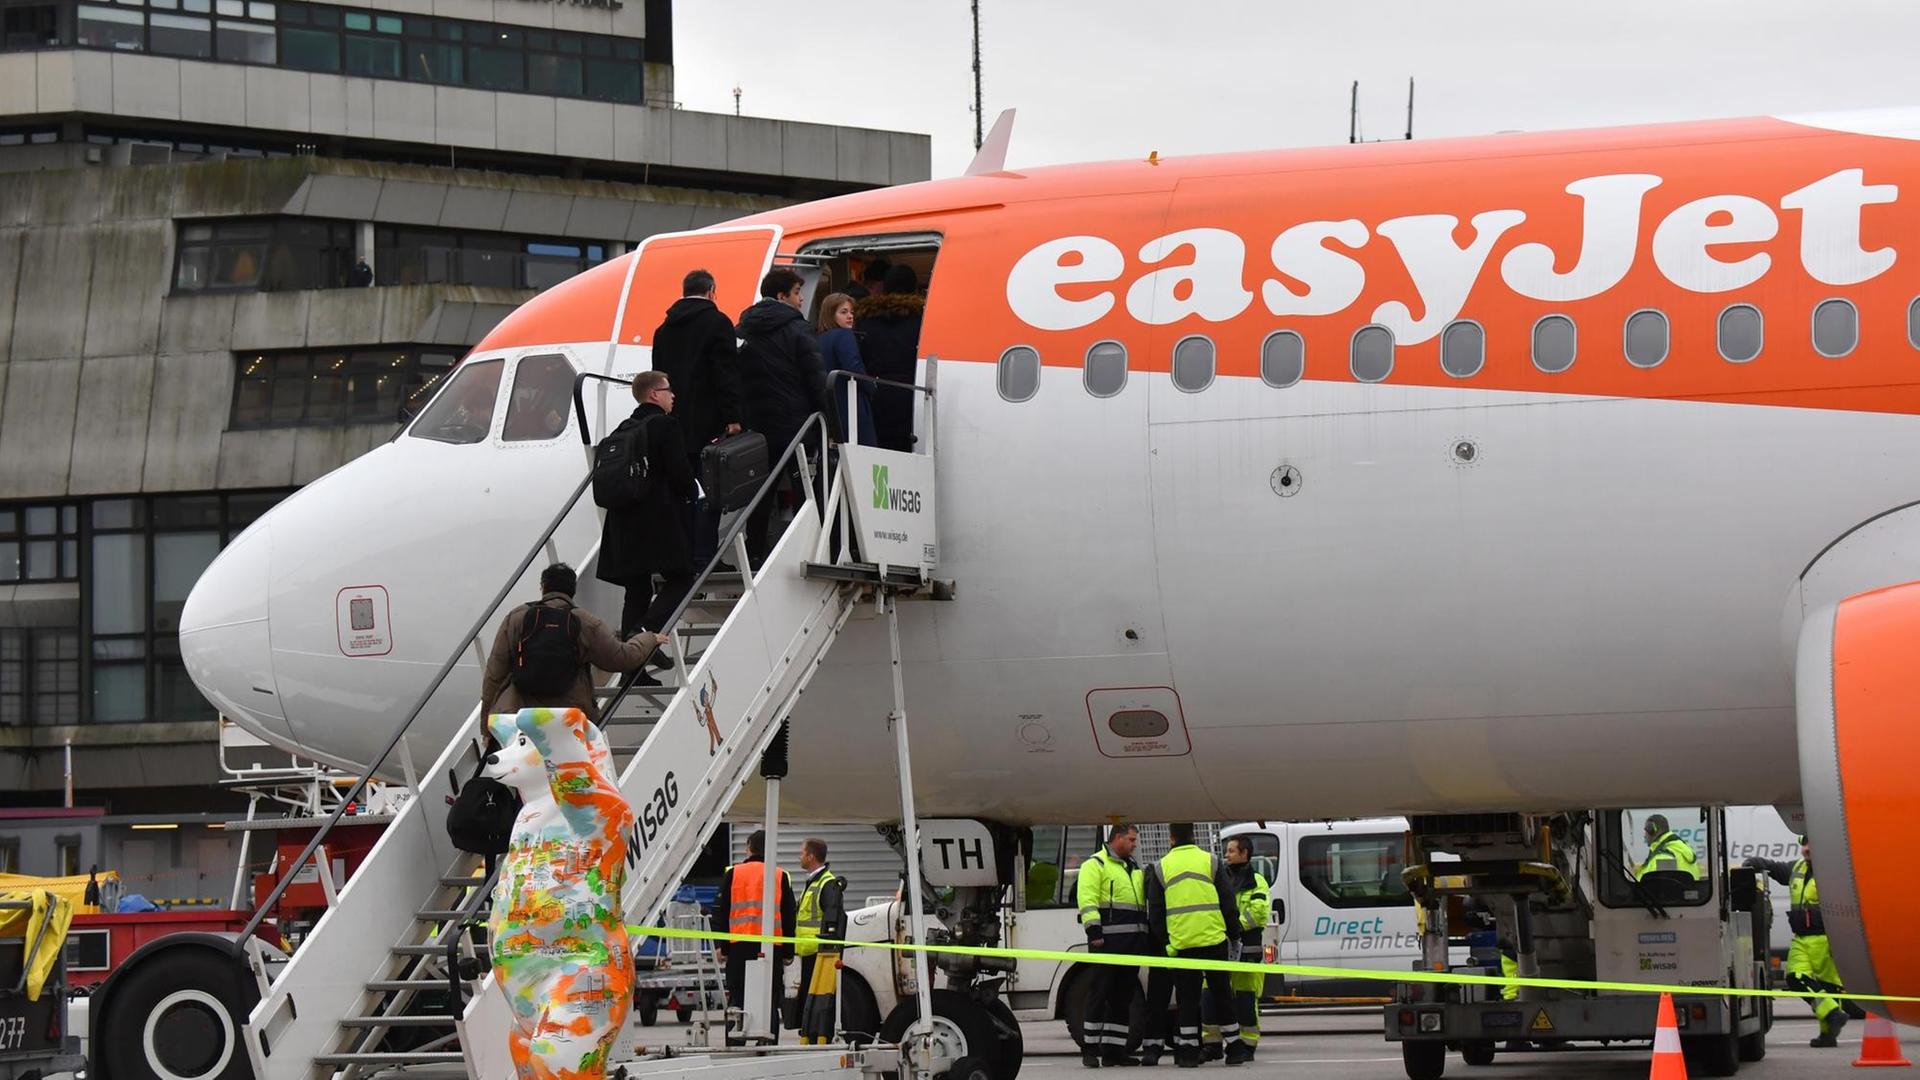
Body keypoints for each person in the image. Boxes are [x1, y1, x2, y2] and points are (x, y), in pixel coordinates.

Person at [479, 563, 667, 724]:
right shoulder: (586, 622)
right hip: (571, 716)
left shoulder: (516, 618)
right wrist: (648, 638)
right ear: (573, 590)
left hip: (522, 716)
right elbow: (622, 658)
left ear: (543, 587)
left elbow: (494, 675)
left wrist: (486, 725)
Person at [594, 373, 699, 663]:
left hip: (622, 520)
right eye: (668, 390)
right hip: (657, 519)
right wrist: (696, 494)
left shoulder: (623, 429)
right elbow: (680, 474)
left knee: (637, 589)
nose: (673, 395)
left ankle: (632, 665)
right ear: (654, 394)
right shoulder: (665, 425)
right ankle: (646, 631)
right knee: (682, 578)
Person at [736, 268, 836, 566]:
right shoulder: (798, 329)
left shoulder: (742, 329)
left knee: (761, 490)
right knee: (804, 486)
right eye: (796, 292)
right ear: (782, 296)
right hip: (795, 422)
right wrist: (831, 421)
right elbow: (815, 378)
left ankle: (755, 552)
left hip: (757, 425)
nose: (801, 299)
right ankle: (810, 549)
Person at [651, 269, 745, 565]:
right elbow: (725, 373)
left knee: (682, 489)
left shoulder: (663, 330)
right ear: (711, 291)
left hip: (673, 423)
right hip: (708, 421)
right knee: (711, 488)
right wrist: (733, 416)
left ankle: (681, 552)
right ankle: (704, 554)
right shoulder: (718, 323)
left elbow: (658, 377)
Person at [1146, 823, 1250, 1067]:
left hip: (1182, 942)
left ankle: (1188, 1052)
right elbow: (1227, 901)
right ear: (1193, 835)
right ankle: (1234, 1047)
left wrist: (1166, 942)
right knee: (1222, 994)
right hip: (1213, 939)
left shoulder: (1161, 867)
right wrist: (1234, 934)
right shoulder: (1211, 861)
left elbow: (1156, 913)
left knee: (1187, 1000)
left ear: (1171, 838)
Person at [1750, 837, 1855, 1047]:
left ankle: (1828, 1034)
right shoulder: (1795, 868)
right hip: (1802, 937)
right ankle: (1833, 1013)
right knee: (1795, 978)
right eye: (1804, 844)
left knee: (1830, 987)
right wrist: (1754, 863)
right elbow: (1773, 867)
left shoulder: (1834, 872)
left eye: (1811, 844)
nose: (1806, 849)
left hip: (1828, 938)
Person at [714, 829, 798, 1046]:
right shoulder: (780, 875)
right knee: (769, 998)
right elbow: (789, 915)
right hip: (771, 948)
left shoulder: (733, 873)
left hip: (738, 946)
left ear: (749, 848)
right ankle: (767, 1044)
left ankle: (734, 1045)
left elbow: (721, 911)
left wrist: (722, 946)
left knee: (737, 997)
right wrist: (788, 951)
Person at [1075, 824, 1147, 1068]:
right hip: (1106, 943)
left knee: (1122, 999)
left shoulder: (1133, 867)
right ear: (1117, 838)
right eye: (1131, 839)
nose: (1134, 844)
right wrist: (1094, 931)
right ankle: (1089, 1049)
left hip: (1132, 944)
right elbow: (1087, 899)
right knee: (1099, 994)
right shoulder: (1095, 864)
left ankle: (1114, 1052)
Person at [852, 263, 924, 453]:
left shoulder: (865, 317)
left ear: (885, 286)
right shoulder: (921, 318)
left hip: (875, 392)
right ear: (913, 287)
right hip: (911, 392)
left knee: (879, 449)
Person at [793, 837, 848, 1044]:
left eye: (802, 853)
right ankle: (810, 1033)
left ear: (810, 856)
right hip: (810, 951)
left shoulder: (827, 884)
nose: (799, 857)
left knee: (819, 999)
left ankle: (817, 1036)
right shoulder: (814, 882)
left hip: (820, 953)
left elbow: (832, 921)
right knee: (809, 999)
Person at [1222, 836, 1269, 1058]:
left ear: (1244, 853)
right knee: (1213, 997)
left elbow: (1258, 913)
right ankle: (1213, 1044)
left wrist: (1234, 926)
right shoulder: (1222, 877)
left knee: (1245, 998)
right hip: (1223, 945)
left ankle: (1248, 1045)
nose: (1227, 855)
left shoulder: (1257, 880)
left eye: (1231, 851)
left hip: (1247, 948)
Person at [815, 293, 878, 447]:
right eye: (843, 312)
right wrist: (871, 386)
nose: (850, 316)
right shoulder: (844, 335)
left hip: (831, 405)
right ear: (831, 314)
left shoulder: (820, 339)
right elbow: (853, 366)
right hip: (851, 404)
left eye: (851, 312)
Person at [1636, 814, 1703, 879]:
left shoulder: (1664, 857)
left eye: (1646, 831)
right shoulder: (1678, 848)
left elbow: (1666, 884)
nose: (1644, 835)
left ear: (1651, 830)